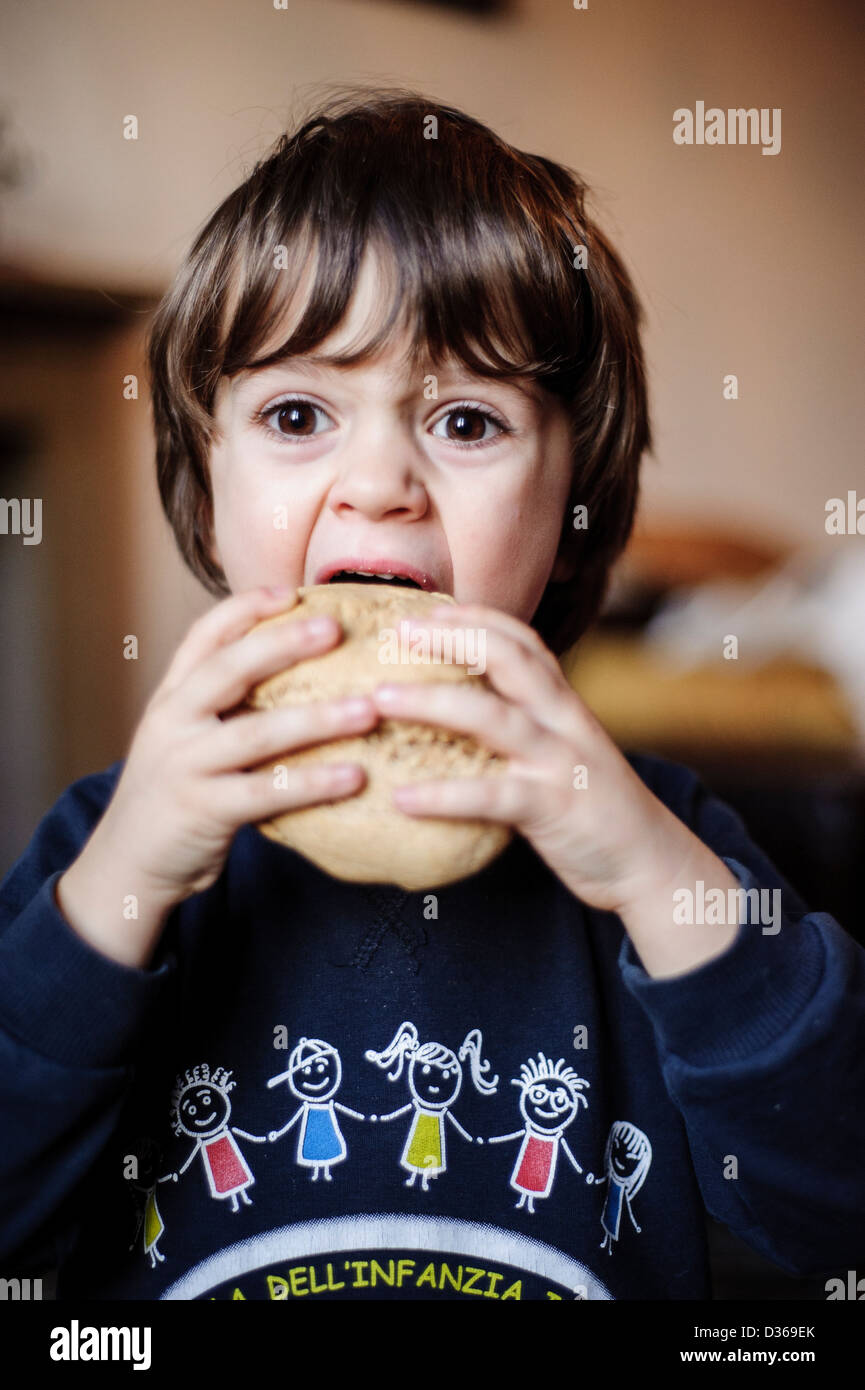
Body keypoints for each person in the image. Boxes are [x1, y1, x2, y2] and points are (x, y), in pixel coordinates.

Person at [1, 88, 862, 1302]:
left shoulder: (657, 842)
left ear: (571, 518)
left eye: (466, 419)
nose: (379, 484)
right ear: (203, 494)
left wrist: (652, 878)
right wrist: (117, 896)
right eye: (298, 413)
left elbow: (840, 1212)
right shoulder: (108, 846)